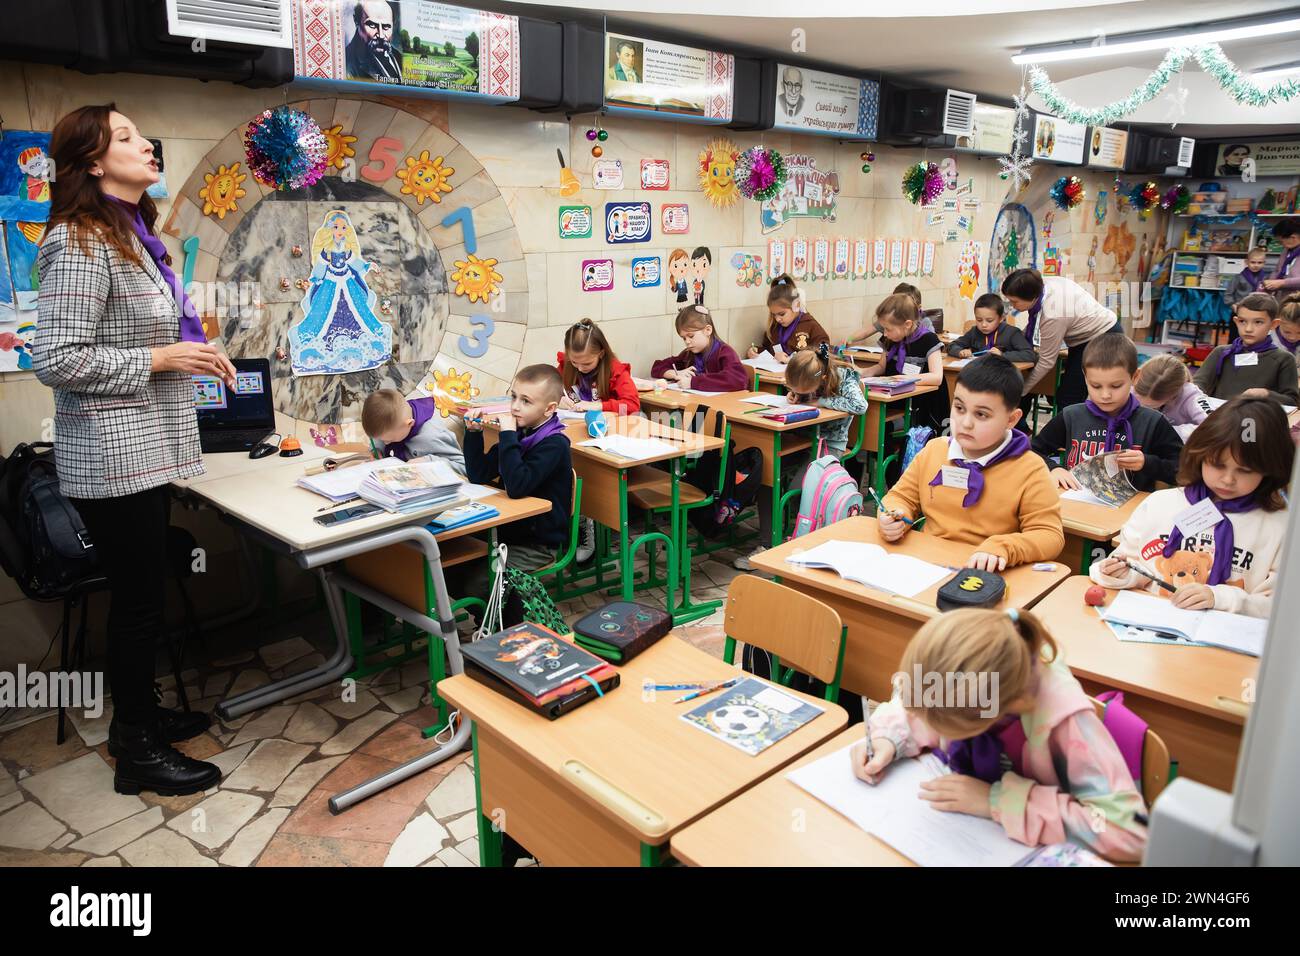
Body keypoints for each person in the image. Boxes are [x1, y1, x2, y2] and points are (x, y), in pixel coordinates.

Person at [34, 104, 236, 796]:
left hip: (147, 449)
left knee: (145, 598)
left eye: (141, 133)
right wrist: (160, 357)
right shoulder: (79, 240)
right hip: (113, 458)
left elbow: (141, 341)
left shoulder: (134, 236)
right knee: (139, 605)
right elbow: (57, 357)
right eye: (124, 138)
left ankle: (137, 722)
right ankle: (138, 754)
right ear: (91, 163)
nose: (145, 143)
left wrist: (192, 355)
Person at [851, 607, 1148, 862]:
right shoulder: (973, 684)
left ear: (998, 710)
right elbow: (927, 708)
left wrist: (996, 801)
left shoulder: (1067, 722)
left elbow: (1129, 834)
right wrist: (888, 738)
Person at [1090, 398, 1292, 619]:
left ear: (1270, 470)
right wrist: (1120, 574)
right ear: (1199, 455)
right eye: (1217, 464)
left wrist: (1220, 598)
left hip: (1226, 645)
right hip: (1149, 632)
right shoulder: (1160, 504)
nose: (1227, 479)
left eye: (1245, 470)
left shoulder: (1281, 527)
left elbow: (1281, 608)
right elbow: (1126, 563)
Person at [1001, 268, 1122, 411]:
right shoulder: (1041, 285)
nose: (1012, 306)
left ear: (1032, 297)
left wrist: (1020, 392)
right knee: (1061, 391)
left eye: (1014, 301)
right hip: (1086, 336)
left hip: (1103, 338)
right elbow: (1034, 325)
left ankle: (1067, 432)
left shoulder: (1053, 315)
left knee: (1069, 396)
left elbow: (1047, 361)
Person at [1194, 293, 1300, 405]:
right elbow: (1197, 386)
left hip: (1259, 419)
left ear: (1274, 324)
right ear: (1236, 321)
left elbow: (1291, 400)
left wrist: (1266, 394)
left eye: (1258, 322)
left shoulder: (1284, 359)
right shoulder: (1221, 352)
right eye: (1243, 321)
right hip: (1219, 417)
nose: (1248, 329)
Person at [362, 387, 466, 474]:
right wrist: (377, 449)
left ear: (409, 423)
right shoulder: (395, 423)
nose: (386, 443)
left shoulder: (432, 436)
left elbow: (464, 467)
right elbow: (382, 437)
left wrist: (429, 461)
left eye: (390, 439)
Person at [650, 304, 749, 392]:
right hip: (698, 406)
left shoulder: (724, 352)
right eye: (683, 338)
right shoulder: (689, 353)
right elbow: (657, 367)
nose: (687, 342)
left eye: (691, 336)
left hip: (722, 408)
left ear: (708, 330)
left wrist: (693, 382)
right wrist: (676, 373)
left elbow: (737, 379)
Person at [747, 274, 828, 362]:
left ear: (796, 305)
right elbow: (769, 351)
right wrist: (756, 351)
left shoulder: (810, 325)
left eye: (781, 314)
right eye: (774, 315)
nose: (777, 319)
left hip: (801, 373)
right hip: (775, 373)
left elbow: (824, 352)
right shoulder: (774, 328)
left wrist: (792, 360)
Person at [1132, 352, 1214, 438]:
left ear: (1171, 396)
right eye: (1138, 396)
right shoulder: (1130, 386)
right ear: (1136, 377)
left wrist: (1165, 431)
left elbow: (1213, 427)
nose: (1143, 406)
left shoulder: (1190, 395)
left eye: (1151, 406)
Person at [345, 1, 402, 83]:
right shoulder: (347, 64)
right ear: (356, 21)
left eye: (386, 27)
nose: (381, 35)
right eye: (372, 25)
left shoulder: (399, 57)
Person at [1261, 217, 1300, 303]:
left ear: (1293, 238)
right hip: (1283, 300)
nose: (1281, 245)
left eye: (1281, 242)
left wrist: (1282, 283)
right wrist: (1270, 282)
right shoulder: (1287, 250)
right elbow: (1278, 270)